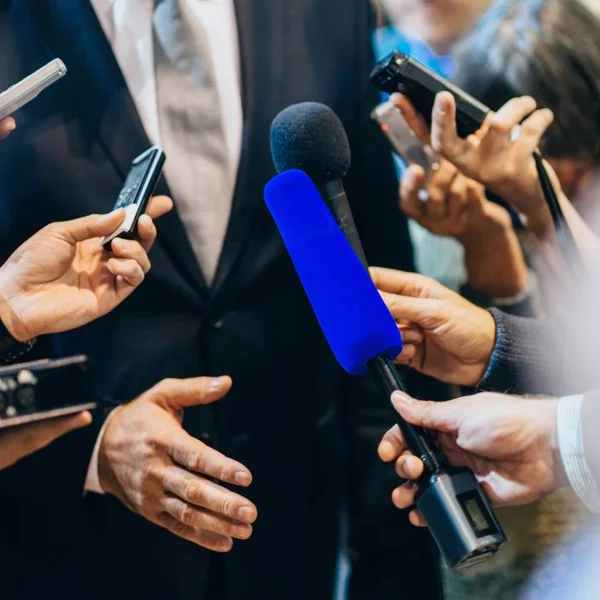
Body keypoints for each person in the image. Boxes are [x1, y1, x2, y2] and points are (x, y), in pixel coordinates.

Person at [0, 2, 445, 599]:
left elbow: (377, 286)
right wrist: (92, 448)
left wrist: (398, 561)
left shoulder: (330, 11)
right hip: (73, 549)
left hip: (290, 531)